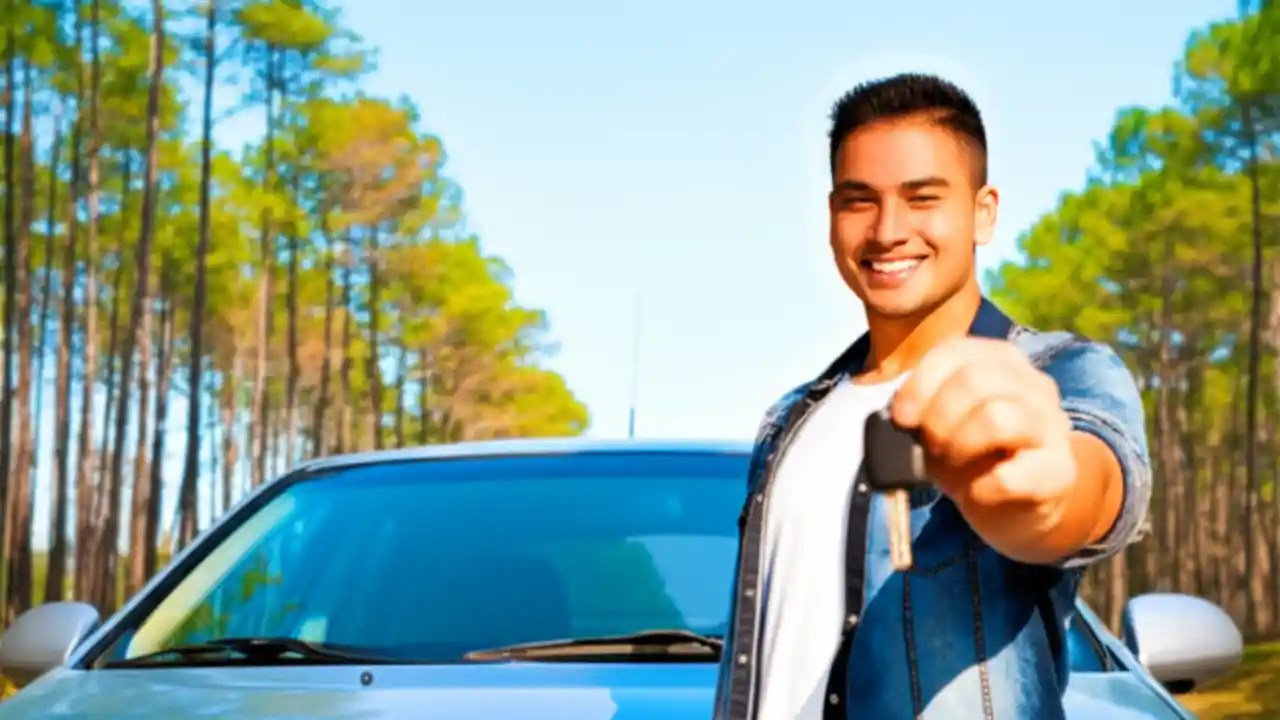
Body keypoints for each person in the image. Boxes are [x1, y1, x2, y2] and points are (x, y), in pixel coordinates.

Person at [711, 72, 1152, 720]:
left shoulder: (1056, 376)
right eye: (859, 200)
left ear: (983, 212)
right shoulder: (789, 420)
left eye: (922, 198)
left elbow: (1089, 486)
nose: (888, 229)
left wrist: (1045, 492)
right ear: (832, 214)